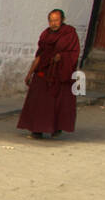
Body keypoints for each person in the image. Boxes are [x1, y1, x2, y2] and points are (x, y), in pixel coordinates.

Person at [17, 9, 81, 139]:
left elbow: (74, 53)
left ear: (62, 20)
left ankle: (55, 127)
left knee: (56, 103)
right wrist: (29, 74)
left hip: (60, 73)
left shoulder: (69, 33)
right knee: (38, 101)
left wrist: (62, 56)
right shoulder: (46, 35)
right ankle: (36, 130)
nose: (54, 23)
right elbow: (40, 56)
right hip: (44, 72)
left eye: (56, 20)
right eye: (51, 20)